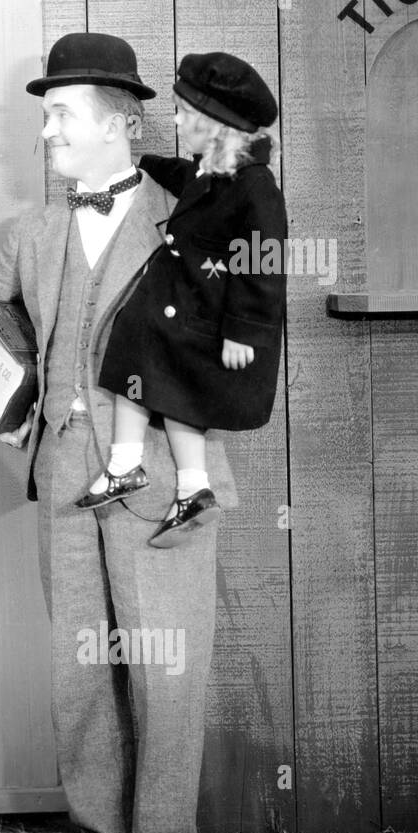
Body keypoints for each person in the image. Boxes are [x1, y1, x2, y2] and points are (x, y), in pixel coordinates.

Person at [0, 32, 239, 833]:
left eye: (62, 116)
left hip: (163, 487)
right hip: (67, 480)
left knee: (166, 674)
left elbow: (240, 334)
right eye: (44, 119)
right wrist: (6, 412)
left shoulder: (192, 221)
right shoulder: (28, 232)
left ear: (122, 126)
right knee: (83, 673)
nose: (47, 134)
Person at [85, 52, 287, 547]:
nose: (175, 121)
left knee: (163, 376)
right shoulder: (211, 170)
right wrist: (144, 164)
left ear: (217, 126)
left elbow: (264, 262)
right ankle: (152, 474)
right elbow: (186, 181)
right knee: (152, 369)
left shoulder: (255, 188)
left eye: (185, 115)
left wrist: (245, 331)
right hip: (186, 309)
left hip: (211, 321)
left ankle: (152, 474)